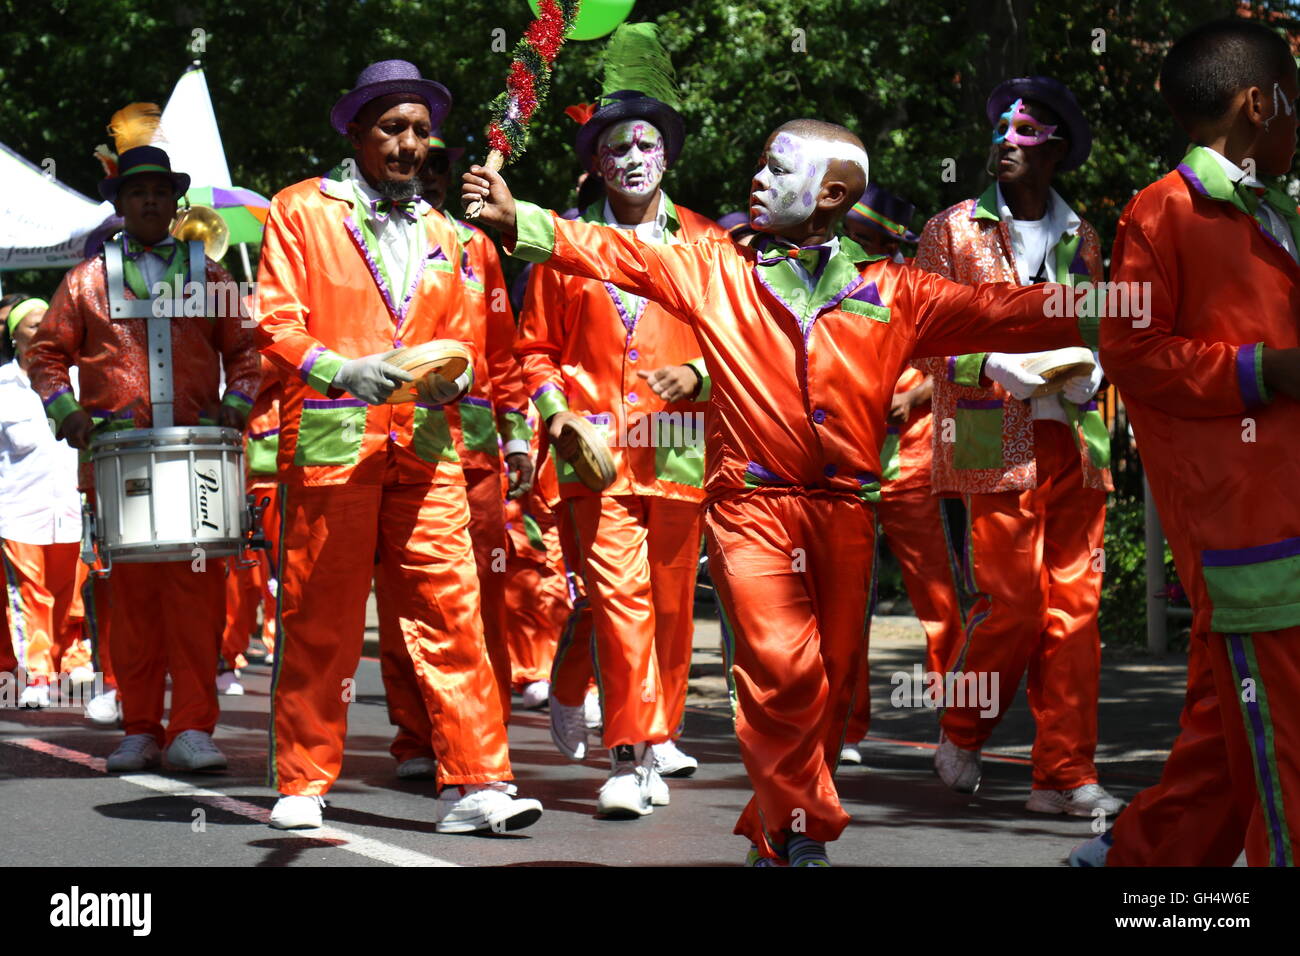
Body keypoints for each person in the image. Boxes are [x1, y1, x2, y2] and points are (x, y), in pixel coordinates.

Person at [465, 113, 1097, 865]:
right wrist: (522, 222)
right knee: (780, 676)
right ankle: (802, 835)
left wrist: (1129, 305)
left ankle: (775, 836)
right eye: (759, 165)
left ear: (830, 193)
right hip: (750, 508)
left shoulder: (890, 288)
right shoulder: (712, 266)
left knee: (831, 690)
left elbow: (1007, 312)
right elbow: (609, 251)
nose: (756, 179)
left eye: (774, 167)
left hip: (847, 514)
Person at [254, 60, 541, 833]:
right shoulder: (301, 211)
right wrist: (344, 369)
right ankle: (304, 780)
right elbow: (276, 325)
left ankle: (478, 780)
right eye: (392, 128)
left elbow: (481, 350)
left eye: (420, 131)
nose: (410, 144)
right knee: (322, 616)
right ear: (356, 130)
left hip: (429, 445)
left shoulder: (457, 237)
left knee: (453, 612)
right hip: (332, 440)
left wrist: (457, 381)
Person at [1074, 17, 1300, 868]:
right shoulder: (1162, 210)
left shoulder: (1276, 209)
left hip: (1276, 529)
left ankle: (1138, 871)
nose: (1297, 120)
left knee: (1227, 740)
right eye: (1293, 103)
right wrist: (1263, 371)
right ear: (1258, 103)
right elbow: (1133, 352)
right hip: (1251, 537)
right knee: (1283, 762)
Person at [515, 23, 722, 817]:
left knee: (667, 603)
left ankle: (610, 691)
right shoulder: (568, 247)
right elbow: (532, 353)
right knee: (623, 595)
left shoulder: (708, 245)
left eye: (646, 145)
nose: (632, 159)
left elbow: (741, 342)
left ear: (667, 154)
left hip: (677, 445)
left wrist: (700, 373)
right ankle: (632, 755)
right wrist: (558, 415)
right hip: (593, 448)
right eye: (614, 149)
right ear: (595, 162)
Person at [915, 77, 1121, 817]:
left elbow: (1097, 330)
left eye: (1026, 131)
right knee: (1017, 603)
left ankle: (1063, 775)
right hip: (988, 432)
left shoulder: (1085, 237)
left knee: (1077, 610)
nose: (1006, 139)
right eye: (1002, 127)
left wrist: (1093, 371)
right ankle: (963, 727)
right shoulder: (951, 230)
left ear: (1057, 150)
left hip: (1075, 437)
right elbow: (919, 337)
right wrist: (990, 365)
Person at [26, 137, 261, 773]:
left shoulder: (211, 275)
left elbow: (247, 350)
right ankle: (138, 725)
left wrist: (237, 407)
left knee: (195, 597)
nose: (150, 199)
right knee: (129, 600)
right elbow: (45, 354)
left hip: (195, 459)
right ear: (122, 203)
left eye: (160, 190)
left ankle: (192, 726)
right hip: (117, 461)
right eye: (138, 191)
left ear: (174, 201)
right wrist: (66, 414)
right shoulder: (85, 281)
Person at [1, 296, 92, 707]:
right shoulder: (3, 386)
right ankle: (36, 677)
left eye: (49, 323)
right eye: (34, 325)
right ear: (14, 336)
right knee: (32, 595)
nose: (44, 330)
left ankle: (71, 663)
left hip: (71, 509)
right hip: (18, 511)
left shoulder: (79, 378)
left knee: (70, 592)